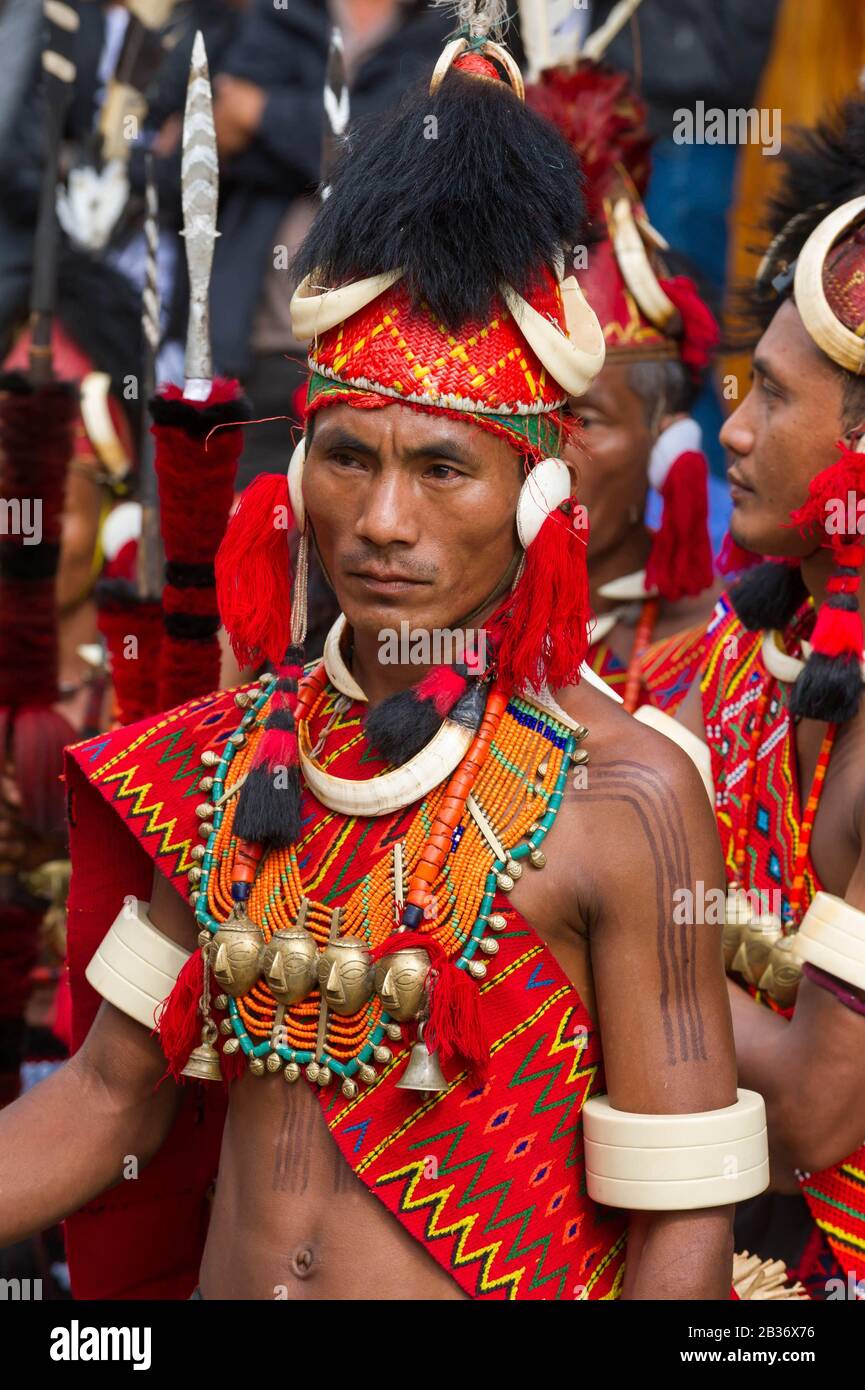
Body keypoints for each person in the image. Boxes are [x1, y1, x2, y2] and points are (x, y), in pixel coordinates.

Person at [0, 13, 762, 1302]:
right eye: (349, 456)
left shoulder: (630, 800)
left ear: (535, 502)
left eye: (441, 468)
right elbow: (107, 1098)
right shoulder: (234, 755)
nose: (384, 518)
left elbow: (681, 1223)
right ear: (297, 474)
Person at [651, 97, 865, 1298]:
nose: (730, 429)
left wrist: (608, 927)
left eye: (774, 398)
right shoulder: (714, 668)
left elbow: (809, 1119)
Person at [527, 58, 719, 712]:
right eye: (528, 411)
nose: (544, 454)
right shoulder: (435, 627)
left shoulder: (721, 657)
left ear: (669, 444)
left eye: (581, 419)